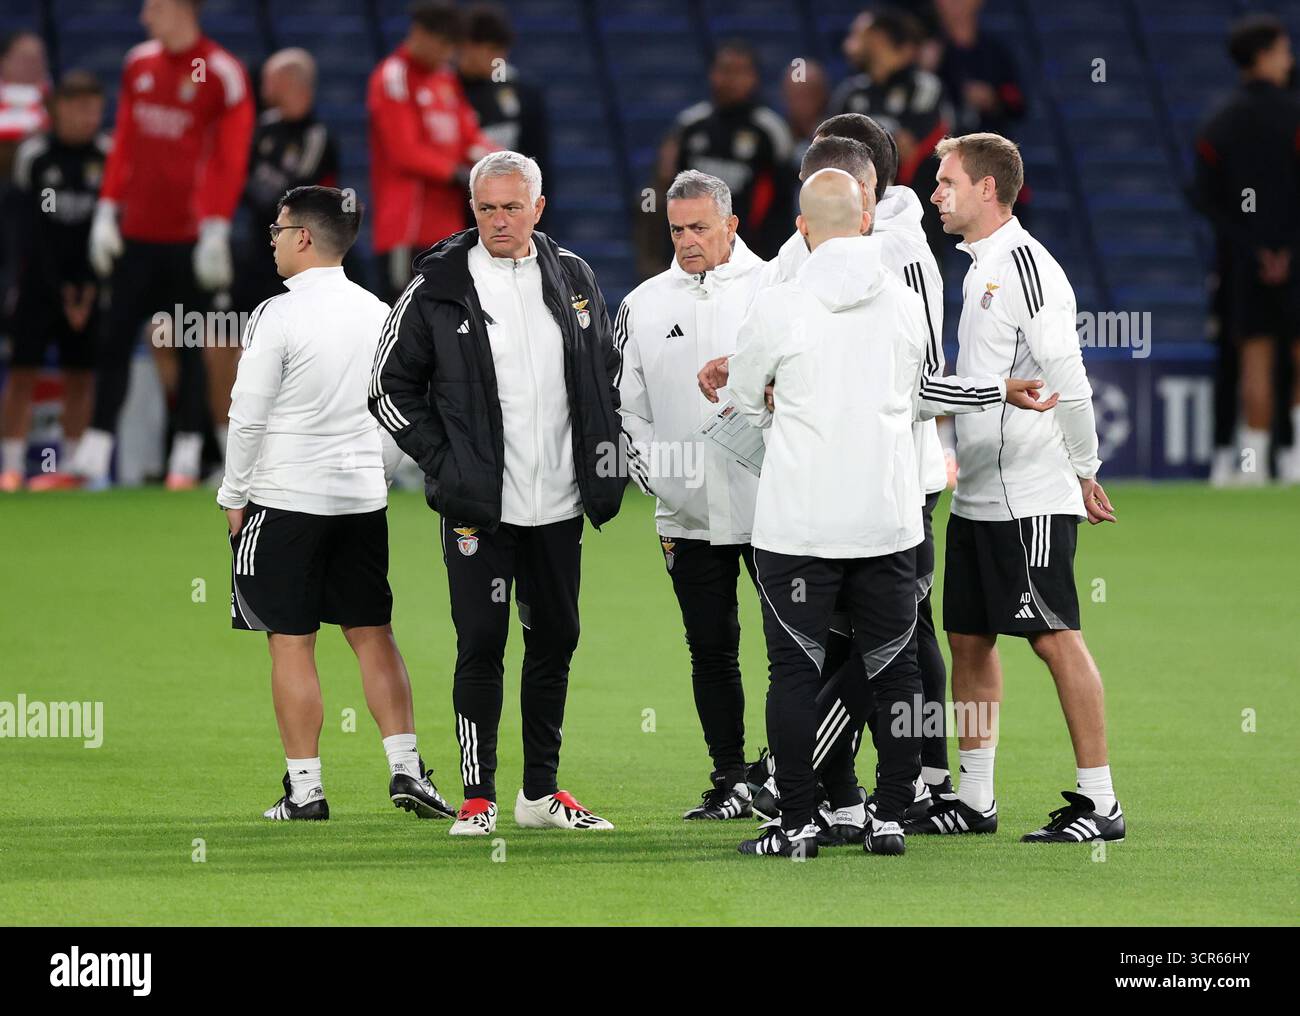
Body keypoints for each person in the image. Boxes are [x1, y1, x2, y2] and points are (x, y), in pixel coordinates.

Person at [368, 151, 625, 837]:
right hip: (479, 506)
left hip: (559, 502)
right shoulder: (438, 285)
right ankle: (477, 796)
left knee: (556, 637)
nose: (499, 221)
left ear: (538, 208)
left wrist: (603, 459)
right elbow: (386, 388)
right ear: (472, 209)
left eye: (512, 207)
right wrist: (446, 465)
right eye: (487, 208)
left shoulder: (574, 277)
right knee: (481, 640)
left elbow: (605, 371)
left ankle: (539, 794)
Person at [216, 185, 454, 823]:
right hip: (360, 501)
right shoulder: (381, 312)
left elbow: (246, 417)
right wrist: (375, 472)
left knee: (291, 643)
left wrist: (232, 494)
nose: (270, 238)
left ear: (301, 237)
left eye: (277, 228)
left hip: (285, 500)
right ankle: (408, 770)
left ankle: (306, 790)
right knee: (374, 635)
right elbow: (403, 408)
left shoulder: (278, 315)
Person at [725, 168, 937, 859]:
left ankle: (796, 825)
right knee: (897, 672)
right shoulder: (904, 303)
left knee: (793, 673)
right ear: (867, 221)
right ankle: (894, 817)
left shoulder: (779, 303)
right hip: (886, 518)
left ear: (802, 226)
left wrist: (776, 405)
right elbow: (915, 395)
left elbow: (747, 400)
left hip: (800, 521)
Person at [922, 132, 1125, 843]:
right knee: (970, 640)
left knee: (1054, 637)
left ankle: (1101, 803)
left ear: (987, 189)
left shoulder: (1029, 269)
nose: (936, 194)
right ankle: (975, 799)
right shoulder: (979, 270)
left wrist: (1085, 467)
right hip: (978, 491)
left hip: (1029, 494)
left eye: (947, 182)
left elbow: (1067, 377)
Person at [616, 170, 767, 821]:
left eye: (700, 227)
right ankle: (730, 777)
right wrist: (657, 475)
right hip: (686, 512)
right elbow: (627, 410)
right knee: (710, 648)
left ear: (731, 225)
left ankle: (791, 770)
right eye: (676, 228)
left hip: (774, 508)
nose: (686, 240)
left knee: (795, 646)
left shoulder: (777, 288)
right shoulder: (643, 304)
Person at [67, 0, 253, 491]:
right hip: (137, 235)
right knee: (114, 336)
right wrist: (108, 208)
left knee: (191, 341)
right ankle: (96, 447)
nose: (145, 17)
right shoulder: (139, 64)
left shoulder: (222, 74)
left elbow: (230, 158)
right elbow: (125, 139)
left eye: (153, 7)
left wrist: (215, 227)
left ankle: (187, 454)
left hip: (191, 238)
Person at [1193, 14, 1300, 485]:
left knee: (1253, 361)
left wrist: (1255, 247)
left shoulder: (1220, 123)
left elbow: (1203, 197)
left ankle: (1252, 468)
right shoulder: (1296, 115)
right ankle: (1295, 465)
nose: (1290, 59)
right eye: (1283, 50)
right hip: (1296, 257)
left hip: (1243, 261)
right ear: (1264, 56)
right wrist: (1286, 248)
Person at [1, 72, 108, 493]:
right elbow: (29, 231)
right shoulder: (35, 156)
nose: (88, 116)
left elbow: (107, 225)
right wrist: (58, 288)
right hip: (38, 286)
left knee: (80, 375)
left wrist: (88, 288)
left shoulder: (107, 155)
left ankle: (71, 465)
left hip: (89, 287)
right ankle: (10, 466)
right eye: (79, 106)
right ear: (57, 108)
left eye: (94, 107)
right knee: (23, 372)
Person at [367, 0, 496, 304]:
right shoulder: (393, 77)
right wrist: (456, 173)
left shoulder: (445, 78)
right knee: (404, 321)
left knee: (447, 321)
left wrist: (498, 160)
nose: (448, 54)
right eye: (443, 45)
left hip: (447, 229)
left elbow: (469, 138)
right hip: (407, 226)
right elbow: (404, 151)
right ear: (419, 33)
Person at [832, 7, 953, 266]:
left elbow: (906, 149)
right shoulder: (850, 94)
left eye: (857, 35)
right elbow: (829, 154)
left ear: (878, 40)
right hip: (856, 219)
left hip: (914, 222)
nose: (849, 45)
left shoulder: (925, 87)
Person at [661, 41, 795, 262]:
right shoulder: (690, 125)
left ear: (754, 78)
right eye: (724, 70)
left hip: (752, 255)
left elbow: (782, 200)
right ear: (712, 74)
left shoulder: (771, 131)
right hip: (694, 252)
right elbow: (668, 187)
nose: (729, 80)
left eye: (739, 72)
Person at [457, 2, 549, 185]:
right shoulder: (442, 90)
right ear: (467, 46)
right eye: (491, 50)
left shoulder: (522, 92)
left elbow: (538, 160)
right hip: (456, 201)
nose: (499, 59)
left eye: (502, 51)